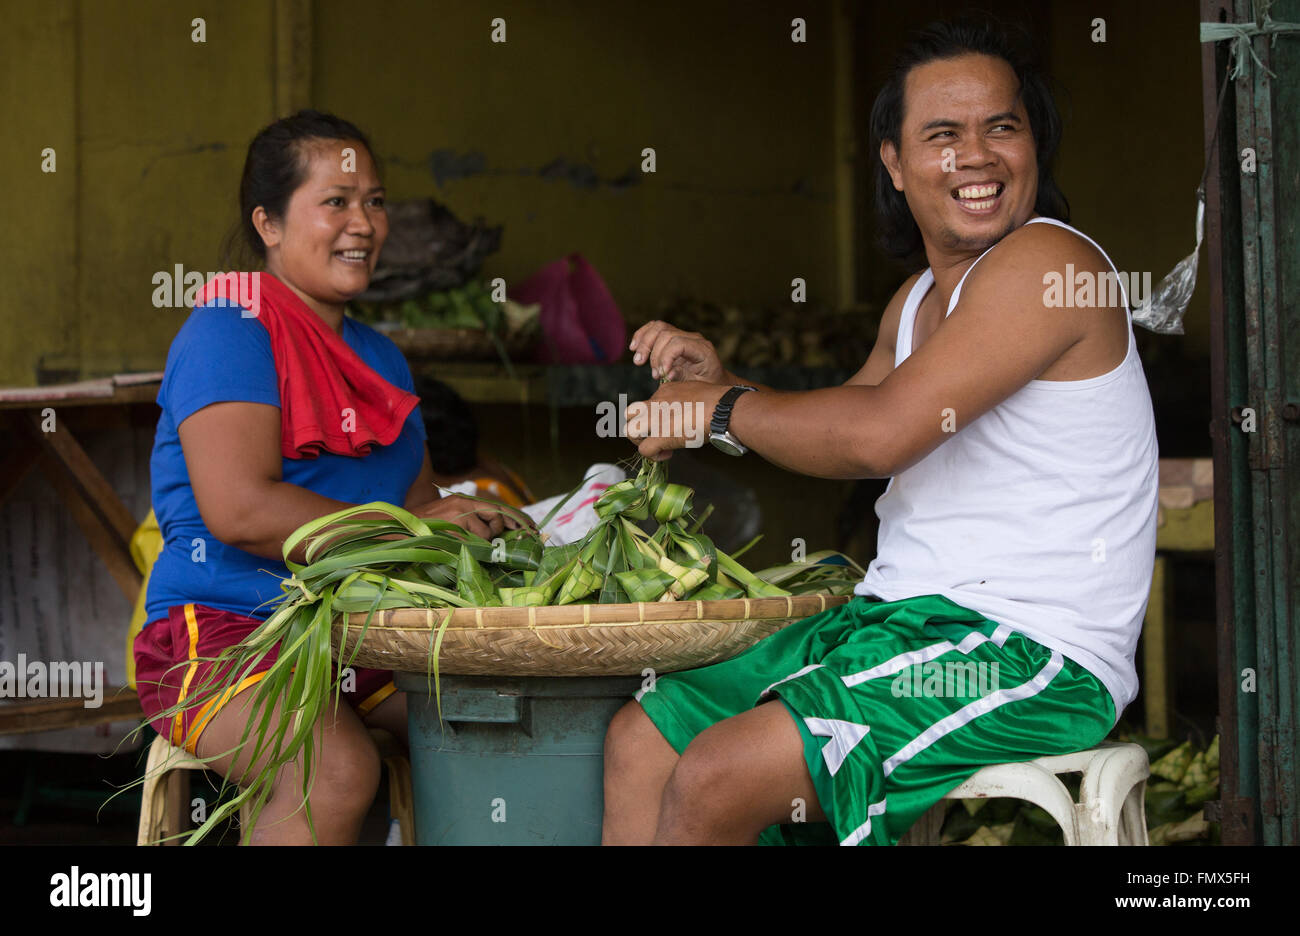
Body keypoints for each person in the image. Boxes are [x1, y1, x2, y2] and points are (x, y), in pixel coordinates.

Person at [602, 17, 1159, 846]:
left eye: (1001, 127)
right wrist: (723, 386)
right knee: (644, 739)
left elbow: (880, 437)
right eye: (942, 135)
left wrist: (720, 405)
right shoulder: (916, 304)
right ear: (895, 165)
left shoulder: (1052, 265)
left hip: (1025, 653)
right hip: (891, 622)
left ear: (1033, 142)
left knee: (722, 774)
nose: (975, 157)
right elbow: (844, 423)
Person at [134, 110, 522, 845]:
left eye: (374, 201)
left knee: (500, 726)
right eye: (336, 201)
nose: (364, 223)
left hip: (361, 637)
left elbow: (419, 504)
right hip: (222, 634)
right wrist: (408, 527)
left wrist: (487, 522)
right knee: (332, 768)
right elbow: (241, 510)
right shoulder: (229, 329)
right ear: (269, 224)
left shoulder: (381, 356)